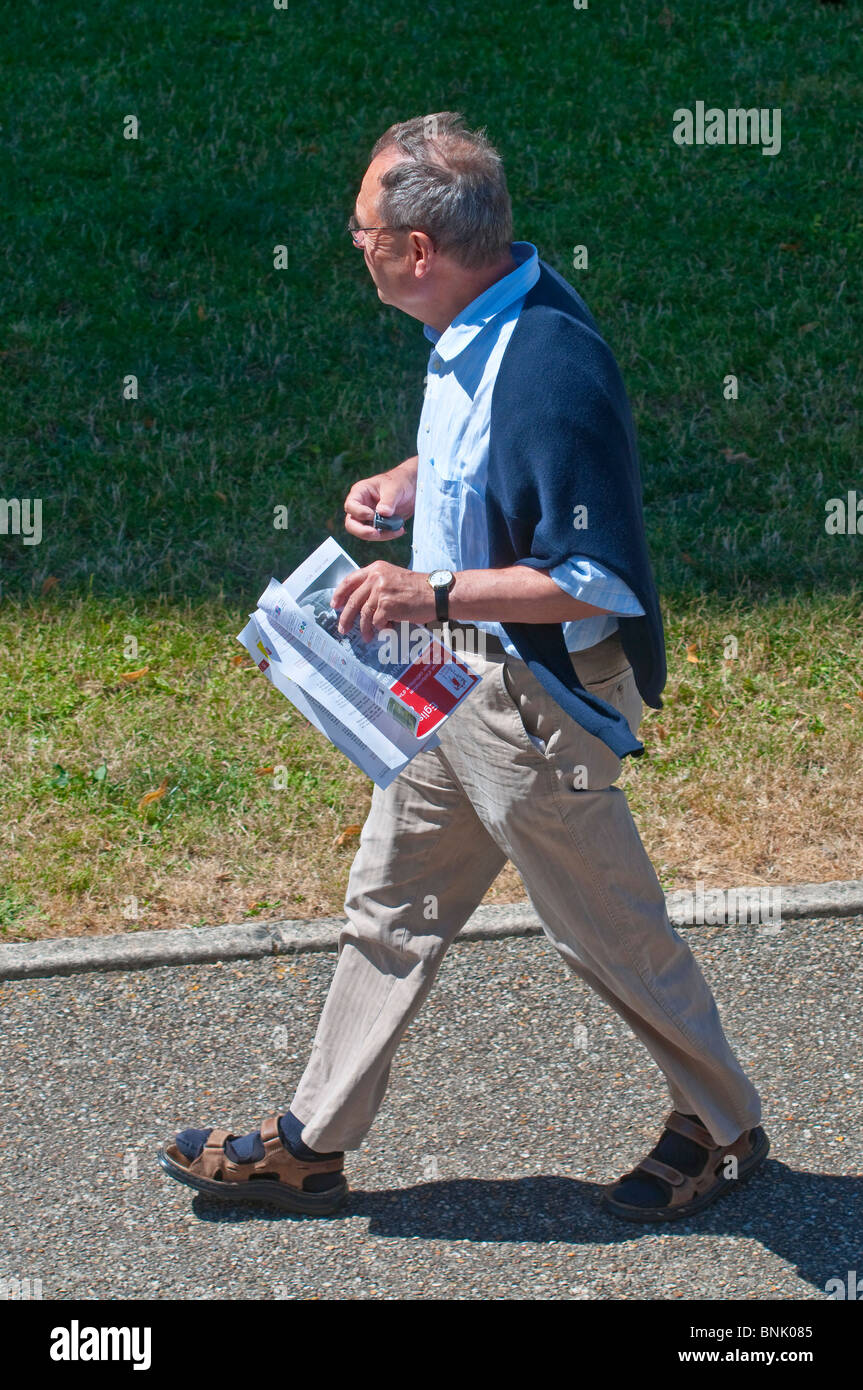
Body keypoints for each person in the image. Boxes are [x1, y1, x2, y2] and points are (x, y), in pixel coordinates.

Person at [159, 113, 769, 1223]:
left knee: (610, 938)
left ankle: (723, 1127)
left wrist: (422, 592)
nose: (353, 243)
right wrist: (410, 481)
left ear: (419, 249)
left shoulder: (549, 366)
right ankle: (311, 1143)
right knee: (388, 903)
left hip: (535, 707)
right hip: (459, 687)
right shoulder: (480, 319)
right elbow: (484, 456)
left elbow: (592, 580)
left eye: (361, 227)